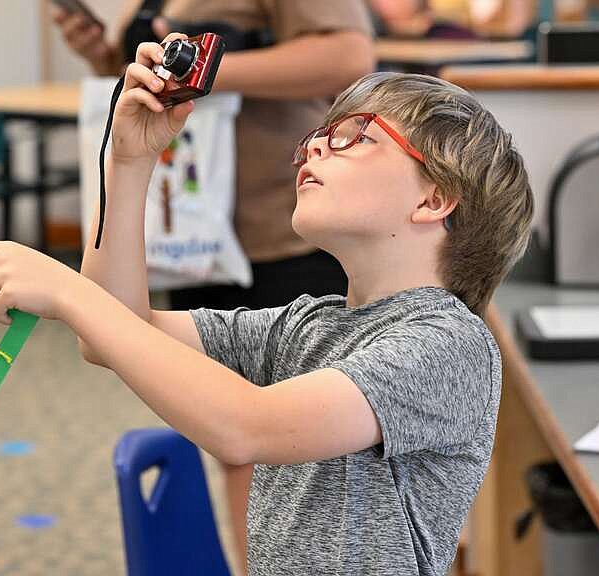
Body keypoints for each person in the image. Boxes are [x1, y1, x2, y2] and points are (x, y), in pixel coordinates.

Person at [0, 35, 534, 574]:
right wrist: (129, 164)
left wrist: (67, 289)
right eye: (317, 135)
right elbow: (113, 332)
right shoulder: (308, 326)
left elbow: (246, 428)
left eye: (356, 134)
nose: (313, 148)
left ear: (435, 198)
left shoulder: (449, 343)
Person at [53, 2, 373, 569]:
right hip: (191, 238)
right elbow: (110, 337)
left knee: (287, 458)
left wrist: (200, 71)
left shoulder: (433, 344)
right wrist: (111, 70)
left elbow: (348, 55)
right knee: (239, 454)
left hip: (276, 232)